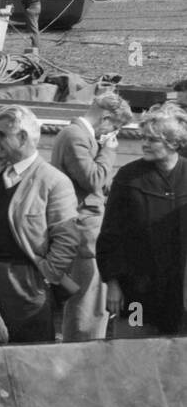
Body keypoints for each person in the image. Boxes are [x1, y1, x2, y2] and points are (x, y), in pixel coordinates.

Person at [0, 104, 83, 342]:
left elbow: (67, 237)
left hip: (24, 279)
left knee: (28, 346)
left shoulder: (54, 181)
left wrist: (46, 276)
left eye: (2, 135)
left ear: (22, 137)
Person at [97, 102, 187, 337]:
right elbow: (110, 235)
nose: (144, 143)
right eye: (143, 137)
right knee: (134, 354)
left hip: (179, 293)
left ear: (174, 142)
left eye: (152, 139)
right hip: (137, 293)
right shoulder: (129, 177)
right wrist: (112, 283)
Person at [51, 93, 135, 341]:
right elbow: (93, 179)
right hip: (83, 227)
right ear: (106, 117)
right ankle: (82, 352)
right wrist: (109, 151)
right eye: (116, 126)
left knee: (89, 295)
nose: (114, 133)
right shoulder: (75, 137)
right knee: (88, 297)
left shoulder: (78, 135)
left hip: (82, 224)